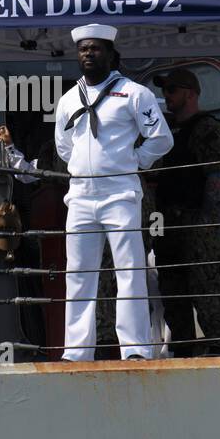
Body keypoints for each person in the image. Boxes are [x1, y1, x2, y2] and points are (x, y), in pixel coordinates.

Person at [54, 24, 172, 360]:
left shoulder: (134, 93)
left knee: (130, 272)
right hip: (80, 194)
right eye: (83, 49)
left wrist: (135, 159)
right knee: (78, 274)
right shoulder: (67, 99)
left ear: (111, 54)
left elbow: (161, 138)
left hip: (119, 193)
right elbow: (65, 147)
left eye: (95, 48)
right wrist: (85, 164)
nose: (88, 54)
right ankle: (76, 350)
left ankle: (135, 348)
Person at [149, 67, 220, 356]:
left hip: (194, 220)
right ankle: (183, 350)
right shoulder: (164, 132)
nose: (166, 96)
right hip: (165, 223)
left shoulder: (207, 128)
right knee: (172, 292)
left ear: (190, 93)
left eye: (171, 90)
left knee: (205, 287)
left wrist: (203, 221)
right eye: (164, 91)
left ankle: (219, 349)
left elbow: (215, 178)